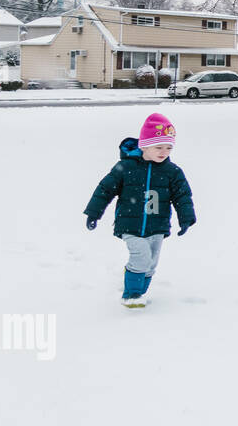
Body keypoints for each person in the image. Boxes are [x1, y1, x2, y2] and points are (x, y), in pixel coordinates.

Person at [83, 112, 196, 308]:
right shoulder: (126, 167)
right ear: (144, 145)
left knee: (151, 263)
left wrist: (186, 218)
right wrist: (94, 212)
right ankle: (131, 294)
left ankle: (140, 289)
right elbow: (105, 189)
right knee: (141, 258)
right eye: (158, 147)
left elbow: (183, 196)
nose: (164, 152)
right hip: (130, 224)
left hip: (157, 225)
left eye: (168, 147)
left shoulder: (172, 172)